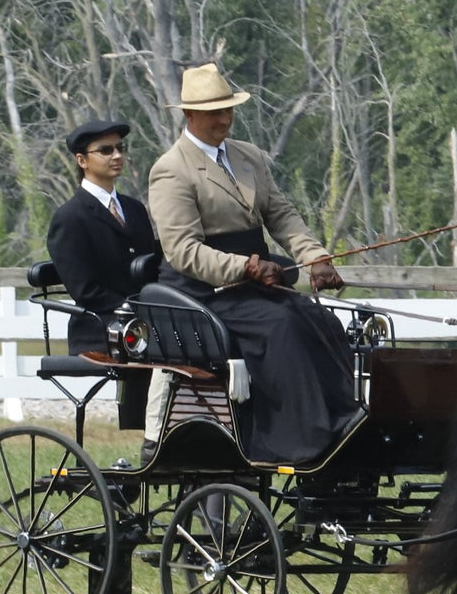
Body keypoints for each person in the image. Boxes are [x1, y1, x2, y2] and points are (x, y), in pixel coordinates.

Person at [148, 63, 359, 463]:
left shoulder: (249, 157)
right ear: (189, 114)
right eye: (214, 112)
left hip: (251, 282)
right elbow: (183, 250)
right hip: (202, 291)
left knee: (320, 319)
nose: (225, 119)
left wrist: (314, 258)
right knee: (282, 325)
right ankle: (300, 438)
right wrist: (245, 267)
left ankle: (343, 416)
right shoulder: (171, 170)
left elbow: (281, 214)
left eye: (228, 109)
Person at [47, 119, 165, 438]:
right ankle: (153, 436)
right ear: (82, 160)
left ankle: (178, 434)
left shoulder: (135, 210)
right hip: (100, 325)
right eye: (106, 150)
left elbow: (151, 267)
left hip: (143, 319)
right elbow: (85, 290)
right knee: (163, 342)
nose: (117, 156)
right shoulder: (70, 218)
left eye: (120, 148)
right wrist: (139, 310)